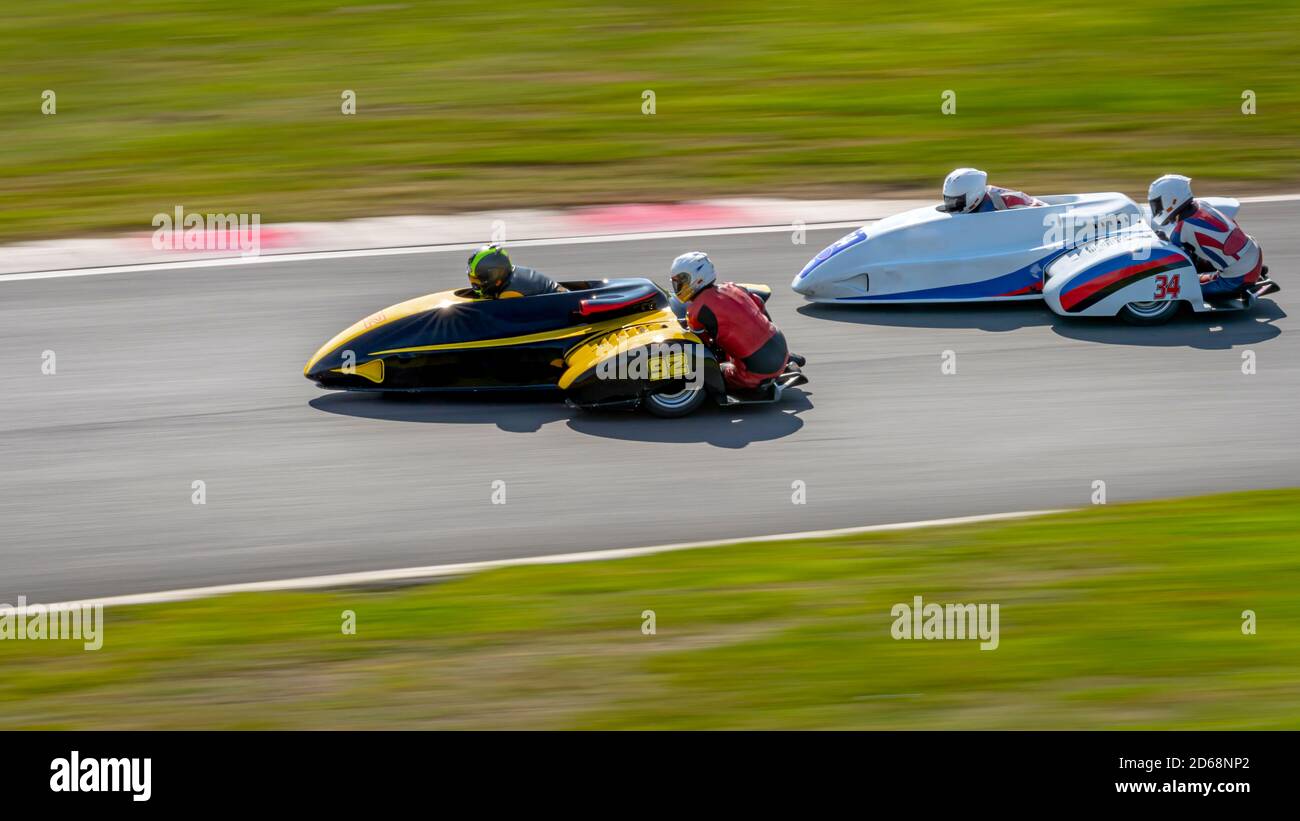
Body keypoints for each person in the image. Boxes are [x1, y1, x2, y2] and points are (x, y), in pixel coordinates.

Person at [668, 251, 801, 392]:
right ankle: (784, 359)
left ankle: (764, 376)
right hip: (779, 343)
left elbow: (702, 346)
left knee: (710, 372)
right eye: (677, 282)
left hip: (757, 369)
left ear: (697, 277)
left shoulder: (695, 310)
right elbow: (759, 302)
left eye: (682, 280)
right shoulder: (732, 287)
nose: (679, 286)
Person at [1148, 174, 1265, 301]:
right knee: (1199, 264)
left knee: (1183, 289)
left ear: (1172, 200)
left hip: (1239, 276)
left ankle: (1246, 279)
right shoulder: (1201, 205)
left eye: (1158, 204)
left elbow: (1179, 265)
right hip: (1252, 250)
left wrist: (1162, 241)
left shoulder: (1182, 229)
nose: (1157, 209)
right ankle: (1254, 271)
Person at [466, 244, 565, 298]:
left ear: (494, 275)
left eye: (476, 279)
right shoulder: (507, 275)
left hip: (563, 306)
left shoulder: (509, 293)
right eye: (471, 278)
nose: (473, 283)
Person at [942, 167, 1045, 213]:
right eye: (948, 200)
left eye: (957, 201)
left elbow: (1043, 211)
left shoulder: (1008, 201)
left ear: (974, 194)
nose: (952, 205)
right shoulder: (971, 204)